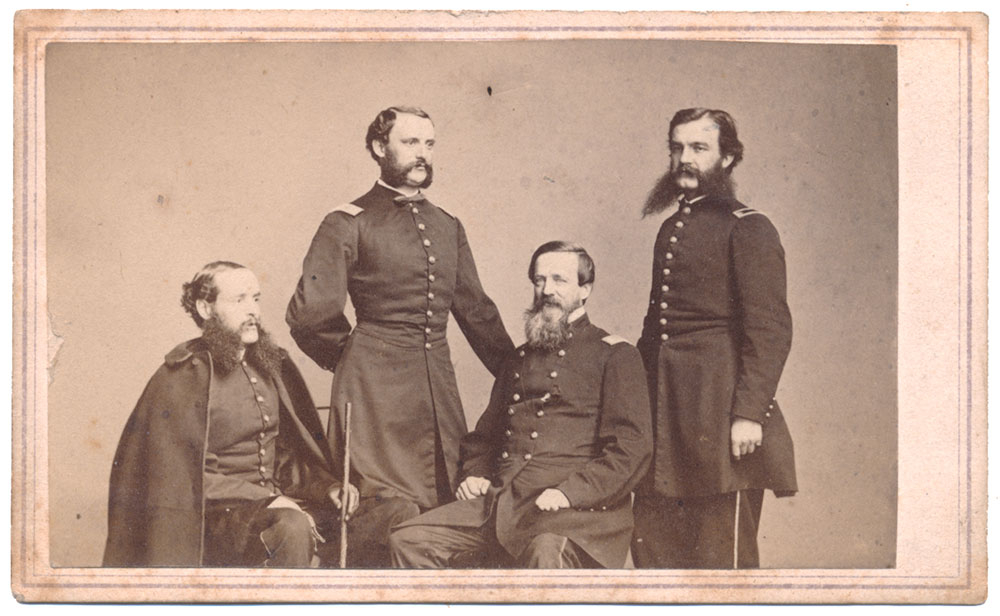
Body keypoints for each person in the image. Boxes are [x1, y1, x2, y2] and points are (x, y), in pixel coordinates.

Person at [104, 261, 411, 568]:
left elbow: (284, 460)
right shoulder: (183, 377)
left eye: (256, 299)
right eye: (239, 300)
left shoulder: (269, 366)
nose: (253, 311)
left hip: (281, 507)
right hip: (217, 521)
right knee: (290, 526)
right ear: (205, 308)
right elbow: (185, 478)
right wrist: (268, 500)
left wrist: (328, 488)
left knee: (396, 512)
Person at [286, 106, 514, 520]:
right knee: (387, 513)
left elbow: (478, 312)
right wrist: (358, 359)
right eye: (410, 143)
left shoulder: (447, 226)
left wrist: (519, 373)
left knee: (444, 508)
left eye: (429, 143)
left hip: (437, 392)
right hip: (375, 398)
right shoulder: (347, 222)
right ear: (378, 147)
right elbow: (310, 316)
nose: (422, 154)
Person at [389, 242, 652, 568]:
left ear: (585, 289)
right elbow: (485, 437)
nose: (547, 290)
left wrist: (571, 493)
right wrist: (476, 473)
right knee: (409, 540)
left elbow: (631, 449)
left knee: (544, 552)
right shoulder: (518, 358)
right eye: (539, 281)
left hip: (575, 513)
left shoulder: (615, 355)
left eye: (559, 280)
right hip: (504, 503)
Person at [632, 108, 797, 569]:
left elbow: (770, 329)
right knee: (656, 559)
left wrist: (748, 413)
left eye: (699, 148)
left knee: (722, 566)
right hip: (668, 417)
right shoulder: (670, 227)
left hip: (721, 414)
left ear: (728, 158)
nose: (685, 158)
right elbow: (655, 329)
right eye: (677, 148)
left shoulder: (748, 226)